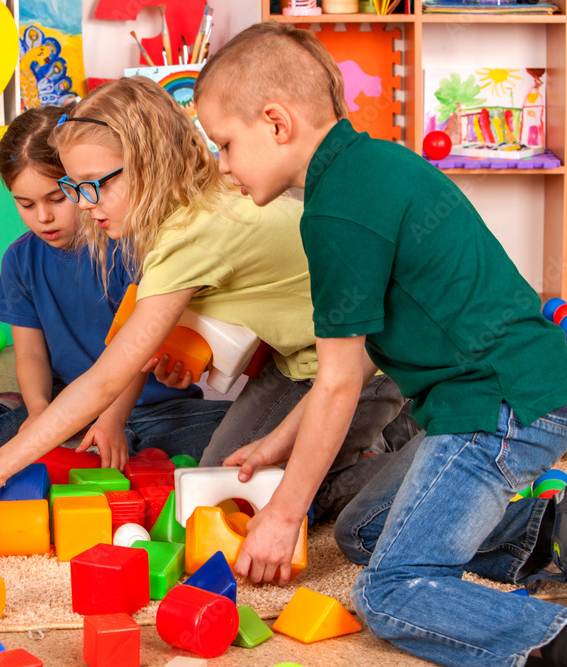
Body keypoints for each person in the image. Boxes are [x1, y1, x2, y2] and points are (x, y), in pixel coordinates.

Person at [192, 22, 567, 667]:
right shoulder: (377, 164)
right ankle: (546, 536)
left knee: (393, 591)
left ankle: (546, 639)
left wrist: (284, 514)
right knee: (365, 533)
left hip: (495, 408)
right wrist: (279, 441)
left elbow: (338, 382)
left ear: (277, 124)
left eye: (226, 145)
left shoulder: (333, 212)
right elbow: (362, 353)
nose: (223, 167)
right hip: (508, 392)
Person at [0, 76, 413, 527]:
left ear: (148, 162)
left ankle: (415, 449)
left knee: (284, 496)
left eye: (93, 186)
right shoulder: (177, 213)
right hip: (296, 363)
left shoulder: (188, 236)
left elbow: (105, 379)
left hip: (362, 365)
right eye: (75, 187)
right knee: (218, 478)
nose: (85, 204)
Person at [0, 105, 232, 470]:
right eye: (26, 204)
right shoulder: (19, 260)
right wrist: (38, 411)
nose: (43, 217)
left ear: (83, 182)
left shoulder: (128, 246)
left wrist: (113, 420)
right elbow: (30, 355)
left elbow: (133, 355)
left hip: (157, 408)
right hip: (72, 405)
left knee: (222, 447)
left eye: (57, 198)